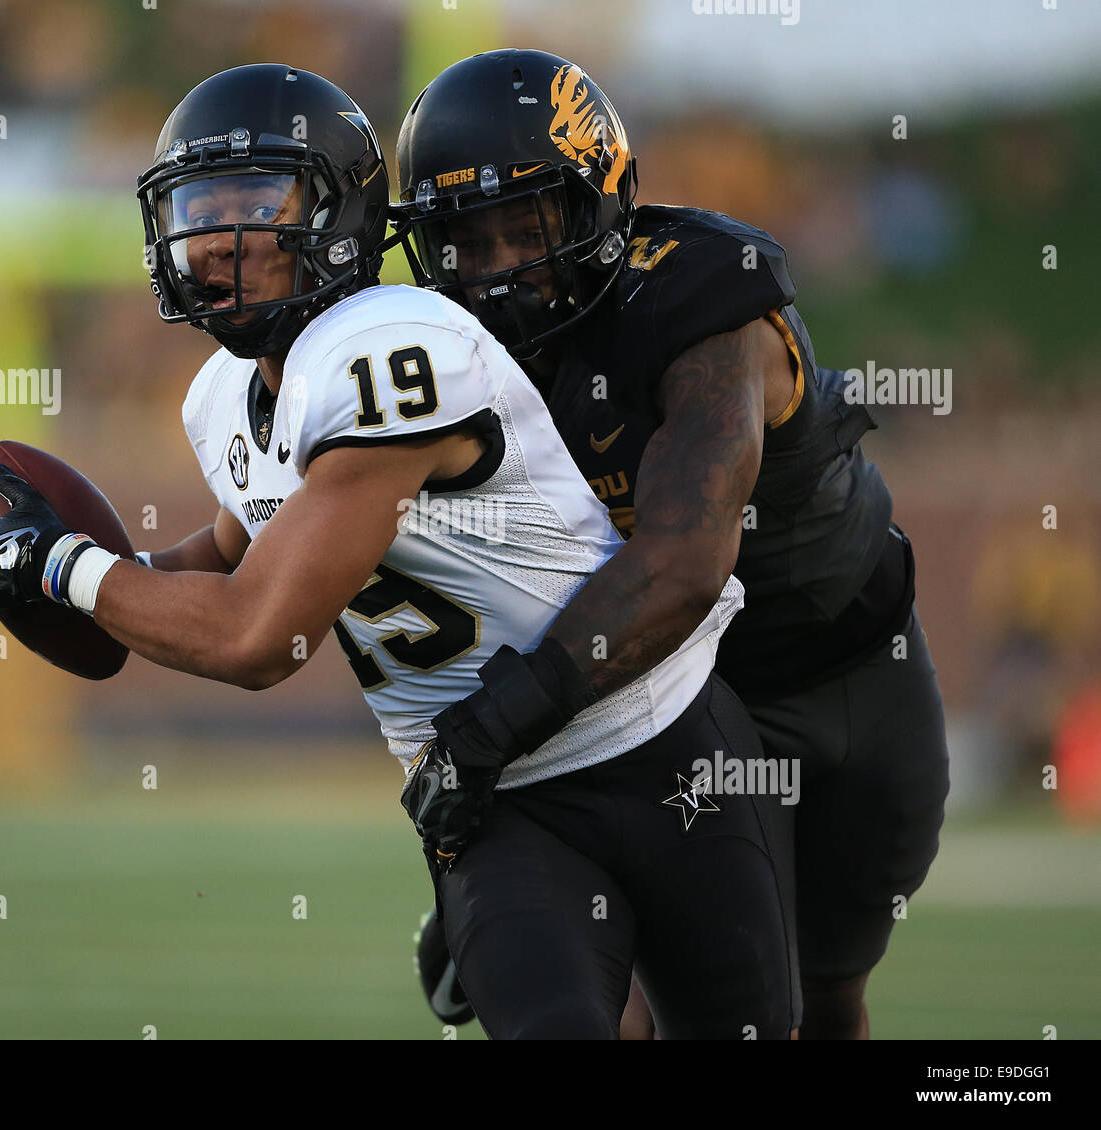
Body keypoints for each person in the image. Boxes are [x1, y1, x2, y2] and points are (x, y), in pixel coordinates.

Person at [0, 64, 797, 1039]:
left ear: (340, 212)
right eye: (195, 206)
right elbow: (228, 562)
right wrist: (58, 572)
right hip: (490, 799)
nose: (215, 240)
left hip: (655, 742)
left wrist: (65, 567)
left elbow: (259, 639)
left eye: (254, 202)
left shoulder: (395, 346)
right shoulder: (221, 399)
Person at [397, 48, 949, 1040]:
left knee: (821, 994)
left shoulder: (701, 296)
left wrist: (487, 734)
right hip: (669, 702)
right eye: (461, 240)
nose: (495, 269)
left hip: (847, 669)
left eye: (524, 224)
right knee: (646, 1002)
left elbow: (686, 562)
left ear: (600, 197)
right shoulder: (438, 359)